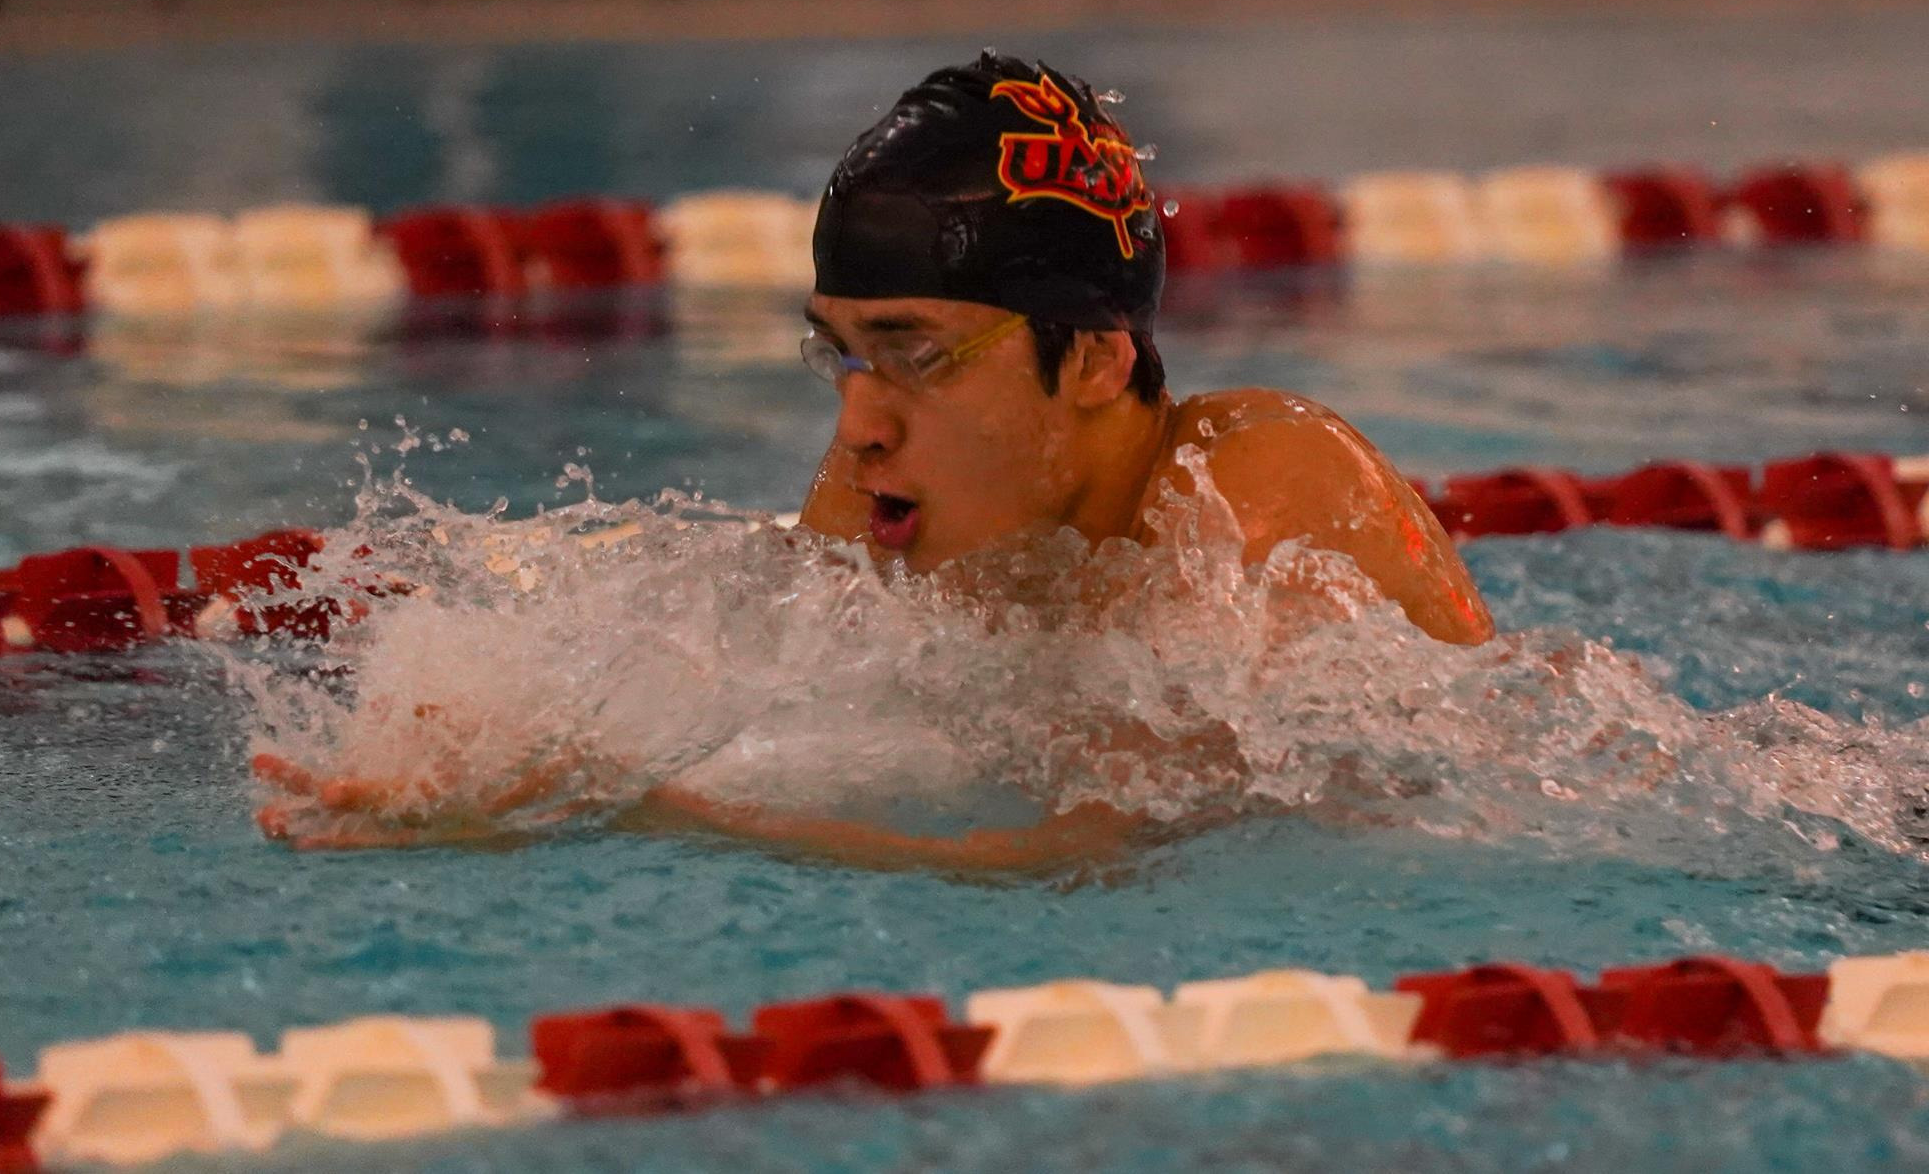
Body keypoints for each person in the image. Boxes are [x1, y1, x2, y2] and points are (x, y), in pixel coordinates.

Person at [254, 53, 1493, 871]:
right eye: (841, 354)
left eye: (916, 353)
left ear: (1100, 361)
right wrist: (488, 747)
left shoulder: (1264, 487)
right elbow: (772, 683)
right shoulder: (904, 473)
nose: (857, 426)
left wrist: (612, 804)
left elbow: (1087, 858)